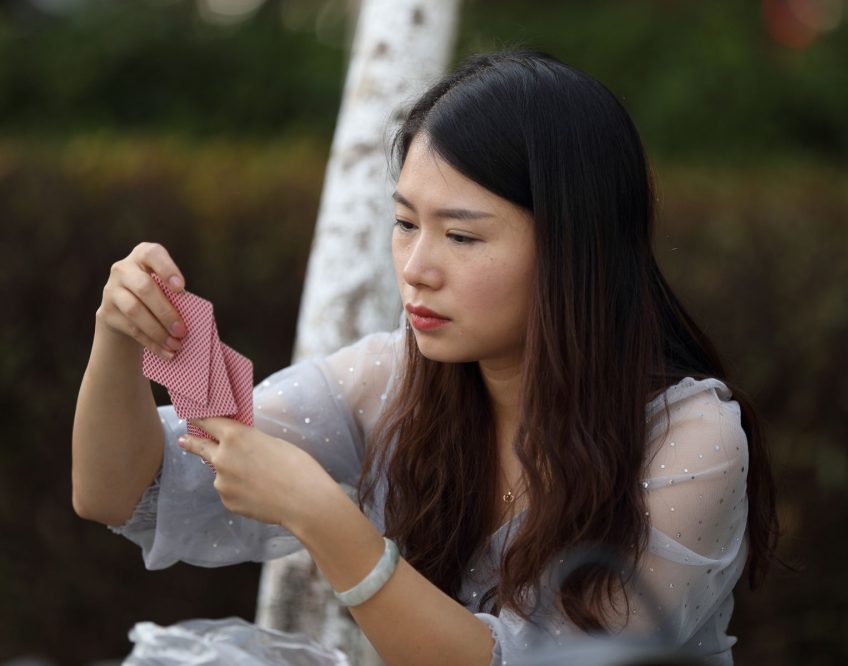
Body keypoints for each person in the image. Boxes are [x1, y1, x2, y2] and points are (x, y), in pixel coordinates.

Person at [72, 50, 778, 666]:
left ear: (576, 248)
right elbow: (123, 492)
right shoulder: (392, 379)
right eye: (405, 223)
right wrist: (117, 337)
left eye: (462, 237)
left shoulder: (691, 440)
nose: (415, 268)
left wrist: (326, 519)